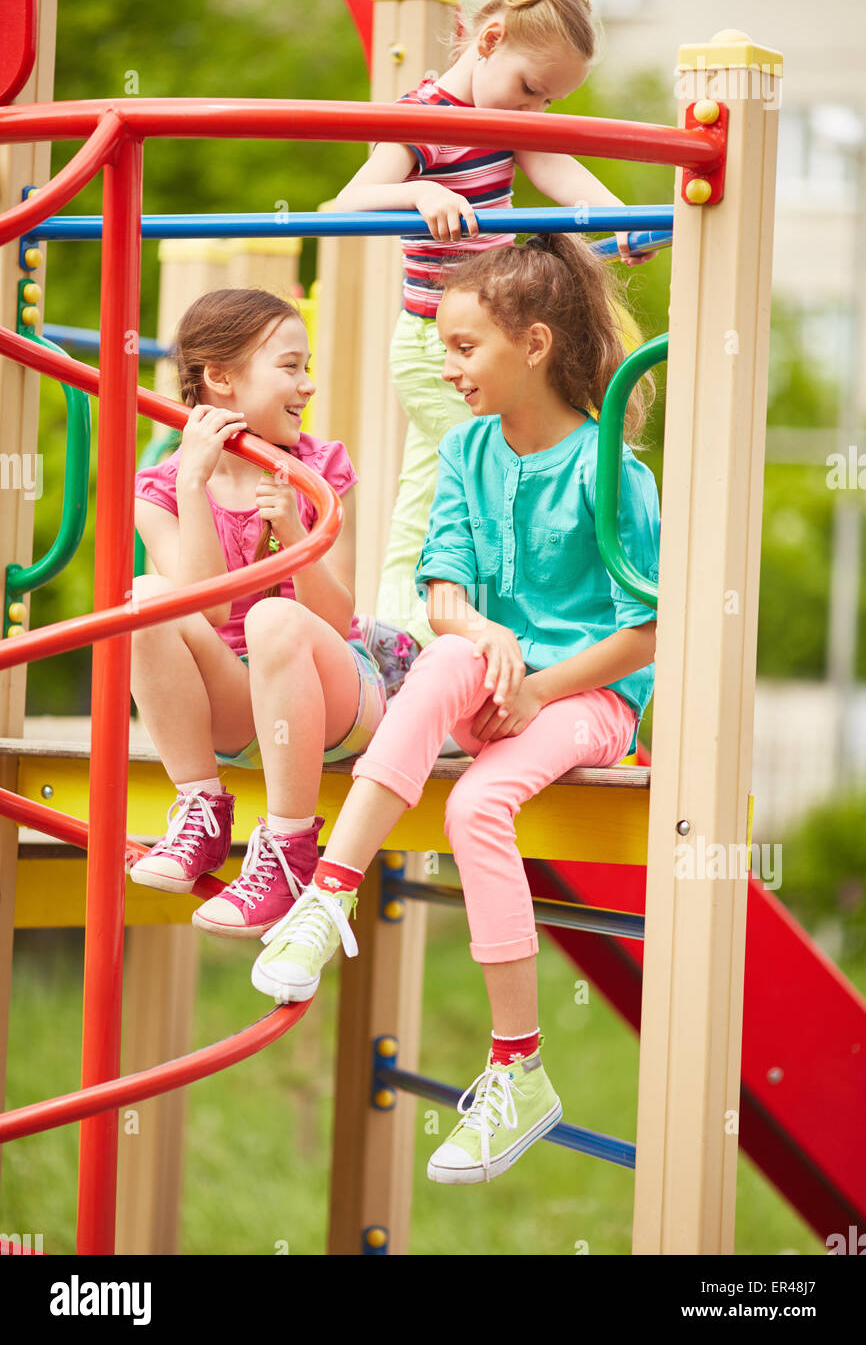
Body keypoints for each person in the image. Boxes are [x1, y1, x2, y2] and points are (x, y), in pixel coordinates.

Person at [248, 233, 660, 1186]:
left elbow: (645, 634)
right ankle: (328, 895)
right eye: (443, 344)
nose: (447, 366)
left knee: (477, 806)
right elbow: (442, 588)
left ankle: (519, 1068)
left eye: (465, 347)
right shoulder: (468, 447)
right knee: (435, 670)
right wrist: (485, 635)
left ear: (538, 345)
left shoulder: (613, 475)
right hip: (487, 677)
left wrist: (540, 684)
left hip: (586, 698)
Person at [336, 0, 657, 660]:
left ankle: (390, 642)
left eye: (548, 103)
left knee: (425, 496)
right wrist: (420, 193)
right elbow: (347, 202)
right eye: (530, 91)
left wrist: (624, 217)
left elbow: (558, 167)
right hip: (438, 347)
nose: (534, 112)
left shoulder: (504, 115)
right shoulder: (421, 118)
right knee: (484, 485)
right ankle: (477, 646)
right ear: (486, 43)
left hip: (481, 344)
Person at [129, 287, 386, 939]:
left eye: (306, 368)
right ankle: (202, 810)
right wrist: (192, 482)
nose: (308, 385)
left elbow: (336, 614)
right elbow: (208, 607)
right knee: (146, 596)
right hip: (242, 703)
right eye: (290, 367)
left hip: (333, 698)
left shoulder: (319, 468)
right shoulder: (159, 490)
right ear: (220, 378)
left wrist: (295, 537)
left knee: (276, 620)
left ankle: (290, 849)